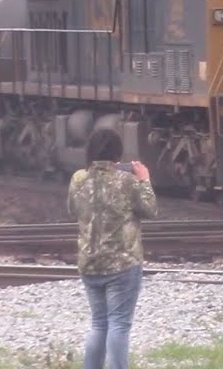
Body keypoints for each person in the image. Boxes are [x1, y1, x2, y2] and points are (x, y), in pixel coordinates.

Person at [67, 128, 158, 369]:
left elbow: (72, 209)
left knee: (99, 324)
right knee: (119, 324)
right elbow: (150, 210)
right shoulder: (126, 181)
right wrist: (144, 179)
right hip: (122, 265)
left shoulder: (78, 179)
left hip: (89, 264)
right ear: (118, 155)